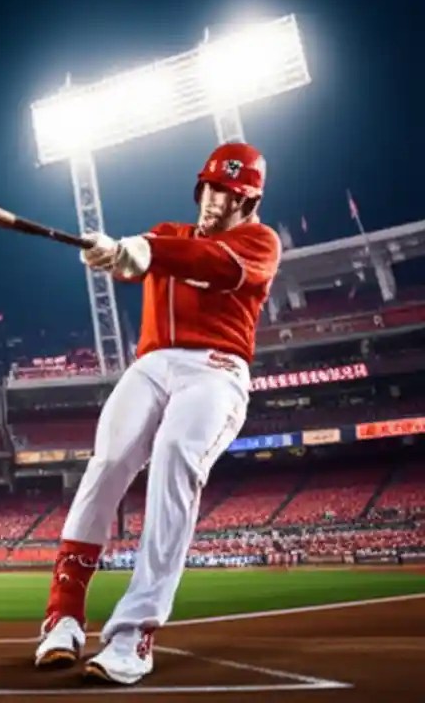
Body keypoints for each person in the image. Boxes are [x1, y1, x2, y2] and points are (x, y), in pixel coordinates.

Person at [33, 142, 280, 685]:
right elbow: (134, 264)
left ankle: (134, 632)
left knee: (175, 456)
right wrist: (112, 253)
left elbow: (212, 264)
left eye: (231, 194)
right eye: (212, 188)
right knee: (109, 461)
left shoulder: (260, 242)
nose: (216, 201)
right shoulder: (170, 232)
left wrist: (143, 249)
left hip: (217, 369)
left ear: (250, 201)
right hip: (152, 364)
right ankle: (63, 615)